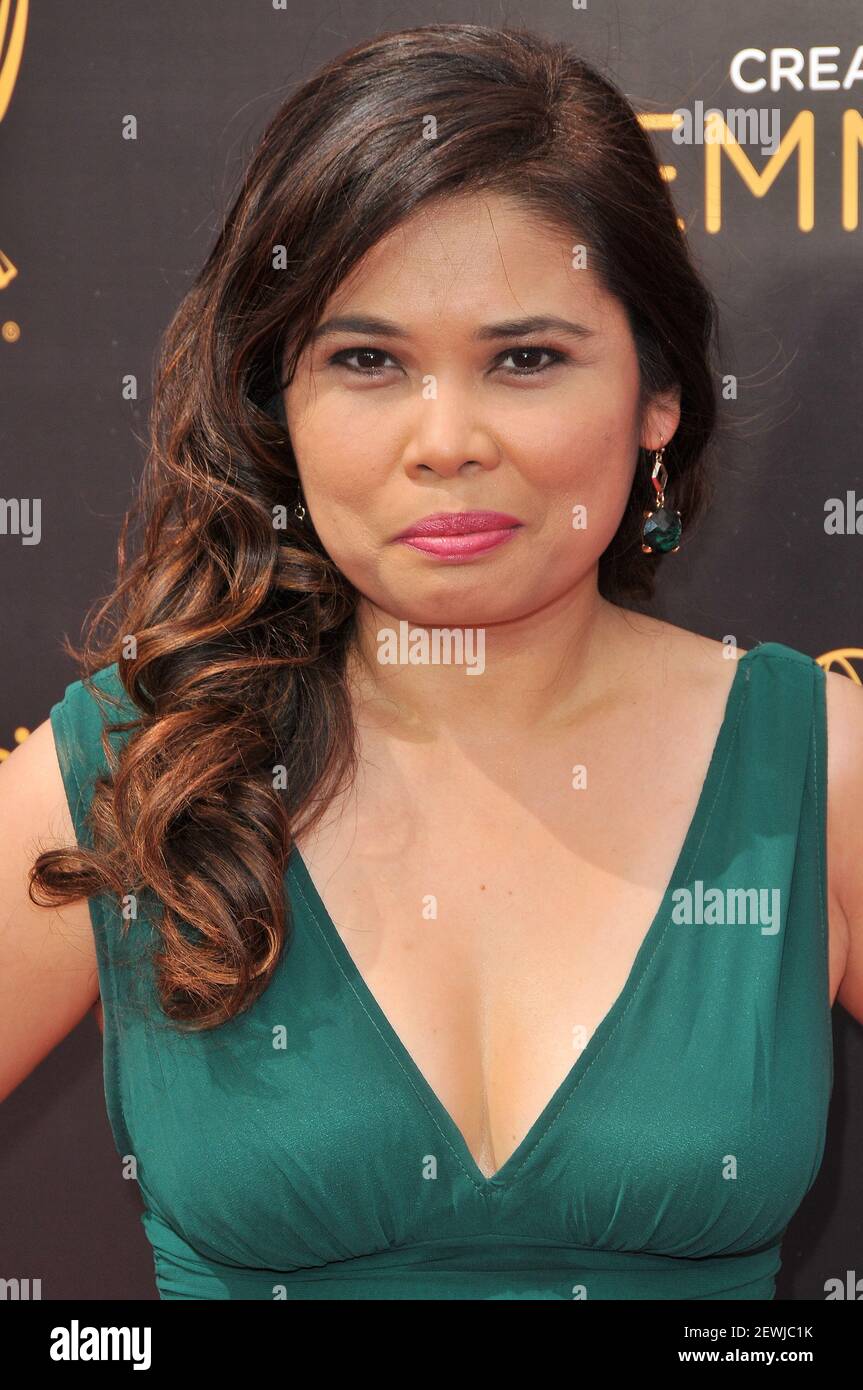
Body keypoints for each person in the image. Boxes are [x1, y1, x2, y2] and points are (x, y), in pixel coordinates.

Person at [2, 23, 862, 1301]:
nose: (444, 440)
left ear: (656, 396)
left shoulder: (817, 764)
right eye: (366, 361)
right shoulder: (130, 772)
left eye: (524, 358)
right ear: (274, 405)